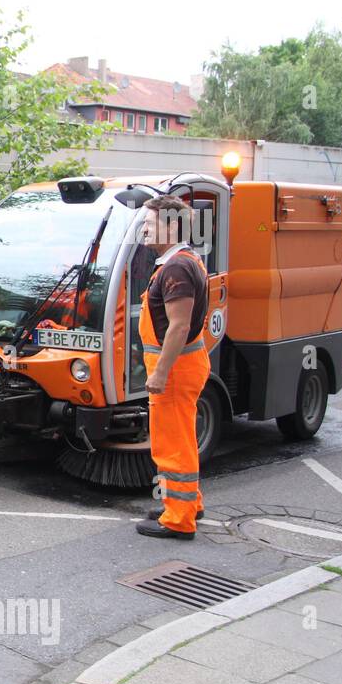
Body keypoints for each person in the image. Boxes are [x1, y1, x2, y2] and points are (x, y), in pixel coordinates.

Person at [134, 196, 209, 540]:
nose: (144, 229)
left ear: (172, 225)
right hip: (185, 364)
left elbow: (178, 326)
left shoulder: (176, 268)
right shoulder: (184, 261)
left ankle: (178, 519)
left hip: (175, 370)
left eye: (149, 223)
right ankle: (184, 502)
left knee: (171, 443)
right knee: (183, 437)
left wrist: (160, 372)